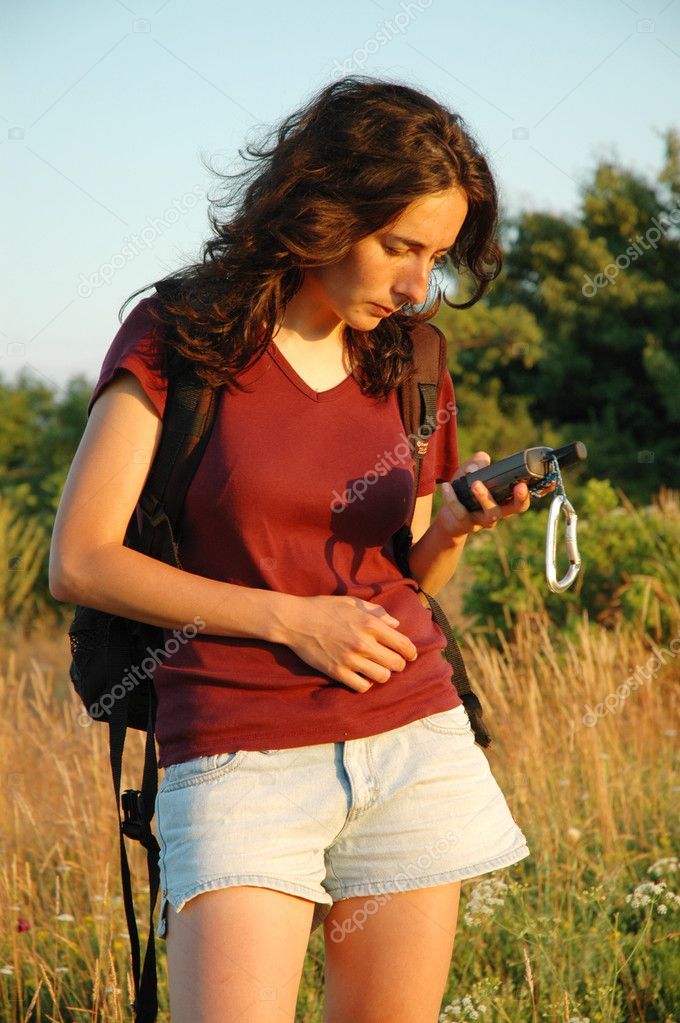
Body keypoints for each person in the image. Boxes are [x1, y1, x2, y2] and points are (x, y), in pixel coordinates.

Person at [50, 76, 536, 1023]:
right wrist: (290, 621)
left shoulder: (413, 356)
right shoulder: (179, 336)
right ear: (321, 212)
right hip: (240, 755)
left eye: (436, 257)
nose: (416, 287)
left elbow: (403, 580)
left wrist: (452, 529)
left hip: (412, 742)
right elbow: (81, 557)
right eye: (400, 247)